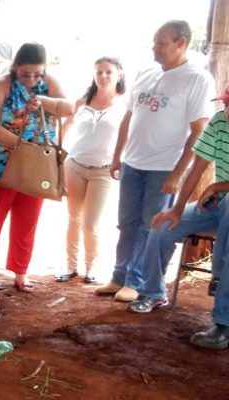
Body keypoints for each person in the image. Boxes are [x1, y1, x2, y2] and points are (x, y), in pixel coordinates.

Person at [95, 20, 217, 302]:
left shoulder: (197, 78)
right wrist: (117, 157)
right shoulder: (146, 73)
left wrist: (178, 172)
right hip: (132, 162)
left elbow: (199, 131)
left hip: (164, 166)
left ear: (181, 43)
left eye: (161, 43)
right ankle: (120, 276)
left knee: (151, 226)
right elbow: (128, 117)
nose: (155, 48)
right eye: (154, 42)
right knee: (126, 222)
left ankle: (137, 281)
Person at [0, 42, 74, 292]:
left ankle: (20, 272)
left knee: (27, 221)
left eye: (37, 74)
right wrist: (22, 145)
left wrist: (44, 102)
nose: (31, 79)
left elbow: (69, 108)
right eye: (25, 73)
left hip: (36, 166)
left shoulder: (47, 83)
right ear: (15, 67)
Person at [127, 88, 228, 321]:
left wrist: (217, 187)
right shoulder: (219, 121)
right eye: (225, 105)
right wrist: (177, 209)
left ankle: (223, 314)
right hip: (216, 206)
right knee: (161, 225)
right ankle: (152, 292)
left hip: (223, 201)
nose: (227, 111)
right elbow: (198, 166)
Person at [55, 57, 126, 283]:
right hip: (75, 165)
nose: (103, 76)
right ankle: (70, 265)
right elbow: (65, 128)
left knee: (90, 223)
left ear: (119, 74)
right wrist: (56, 154)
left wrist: (120, 161)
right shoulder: (84, 100)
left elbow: (129, 137)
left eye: (108, 72)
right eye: (99, 72)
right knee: (73, 217)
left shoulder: (124, 105)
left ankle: (91, 266)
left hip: (103, 170)